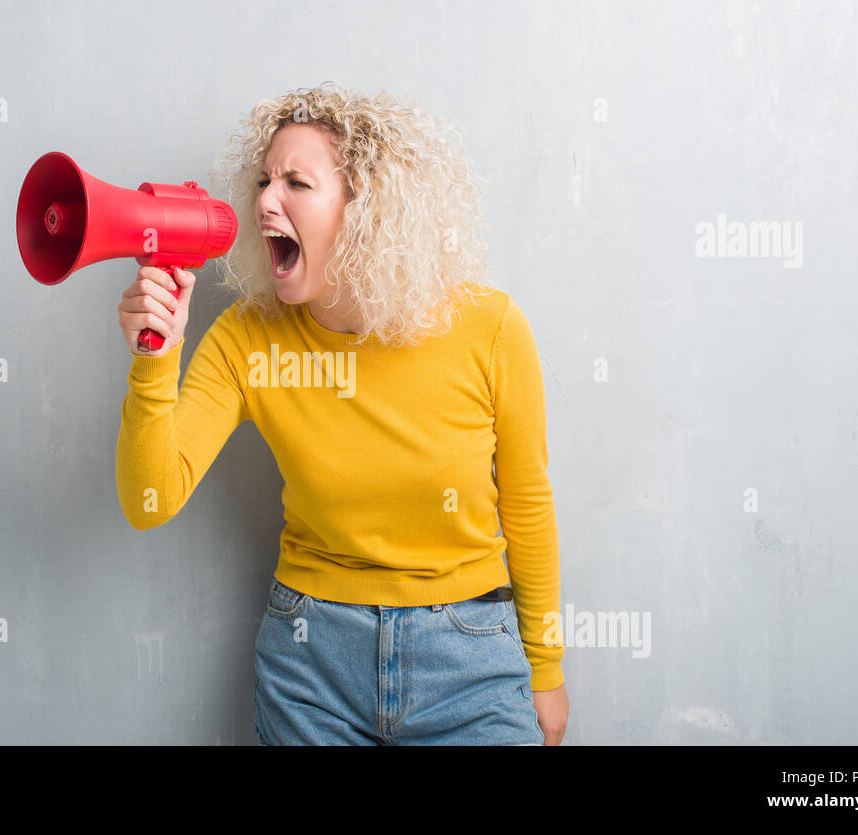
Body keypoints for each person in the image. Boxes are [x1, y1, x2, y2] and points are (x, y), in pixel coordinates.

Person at [116, 81, 568, 745]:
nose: (264, 201)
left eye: (295, 183)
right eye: (263, 181)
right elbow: (149, 500)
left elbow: (527, 505)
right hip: (311, 665)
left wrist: (546, 667)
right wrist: (156, 358)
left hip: (471, 660)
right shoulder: (248, 337)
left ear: (367, 210)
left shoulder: (489, 327)